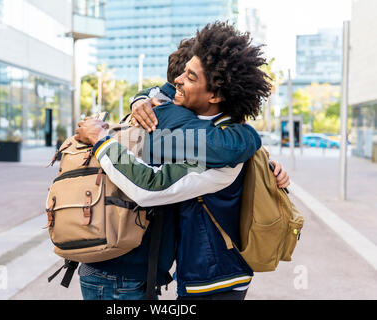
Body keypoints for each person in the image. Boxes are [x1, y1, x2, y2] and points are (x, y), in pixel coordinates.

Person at [75, 22, 290, 300]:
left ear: (215, 94)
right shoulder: (173, 112)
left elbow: (151, 186)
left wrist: (101, 140)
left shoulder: (226, 146)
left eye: (189, 76)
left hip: (214, 276)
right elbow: (165, 92)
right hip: (133, 262)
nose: (177, 81)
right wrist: (141, 98)